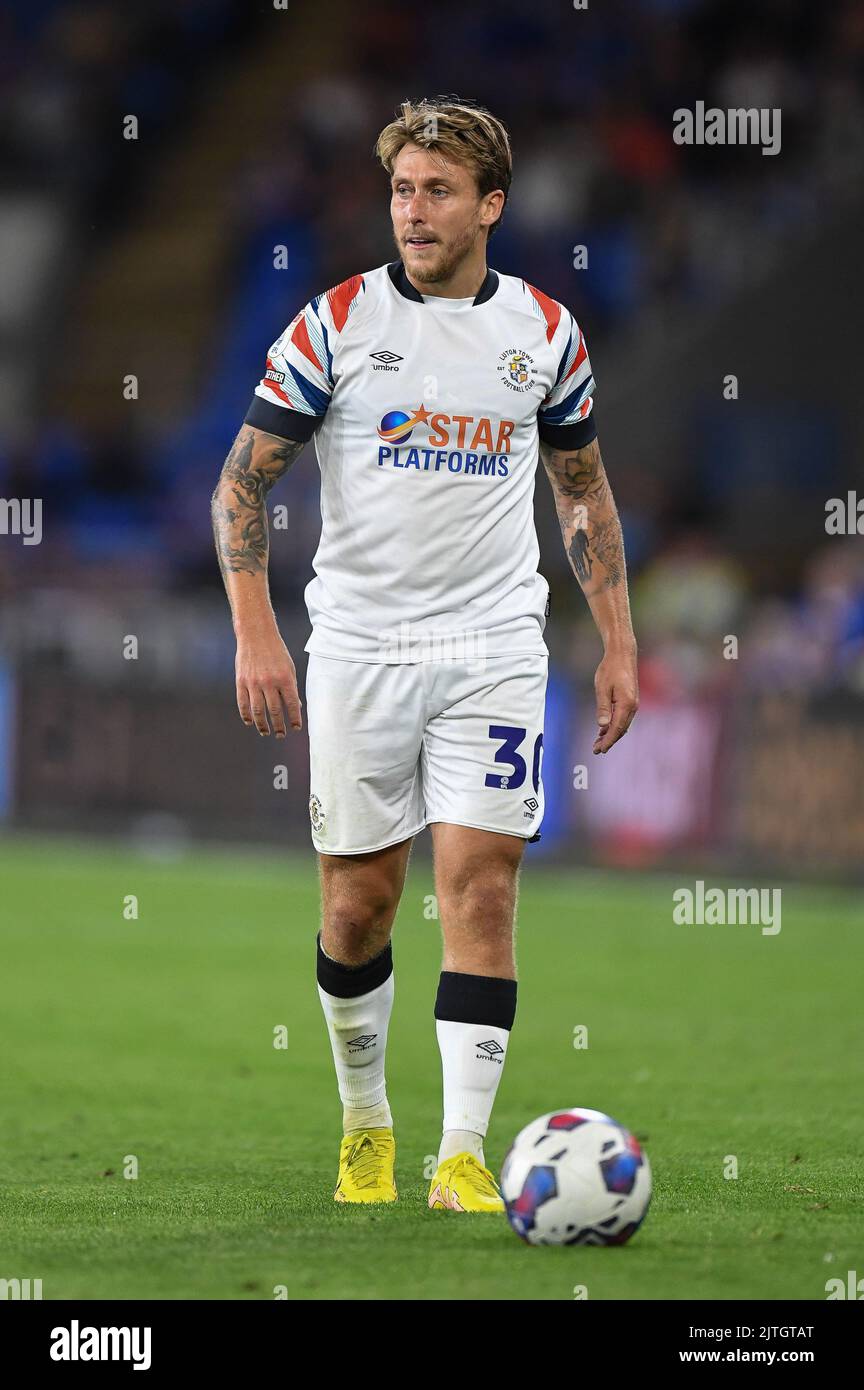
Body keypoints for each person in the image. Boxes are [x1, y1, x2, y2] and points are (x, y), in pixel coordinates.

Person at [211, 96, 639, 1213]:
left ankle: (461, 1154)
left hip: (496, 641)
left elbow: (582, 493)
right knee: (359, 906)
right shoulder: (335, 325)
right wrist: (259, 626)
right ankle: (367, 1125)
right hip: (359, 644)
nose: (413, 209)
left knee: (482, 889)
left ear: (490, 204)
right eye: (401, 188)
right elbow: (241, 484)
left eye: (438, 190)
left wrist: (618, 641)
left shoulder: (545, 335)